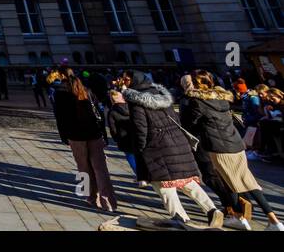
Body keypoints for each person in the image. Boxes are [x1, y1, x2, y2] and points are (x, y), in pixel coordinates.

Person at [119, 70, 224, 229]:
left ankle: (180, 218)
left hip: (157, 147)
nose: (124, 81)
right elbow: (176, 119)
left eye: (127, 79)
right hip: (178, 142)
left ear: (135, 81)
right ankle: (212, 209)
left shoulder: (136, 101)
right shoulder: (162, 95)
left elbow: (141, 129)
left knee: (162, 184)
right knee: (186, 181)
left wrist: (139, 148)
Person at [184, 70, 283, 230]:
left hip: (218, 147)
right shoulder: (222, 99)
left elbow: (189, 125)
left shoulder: (197, 102)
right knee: (248, 182)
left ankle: (240, 219)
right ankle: (274, 221)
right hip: (235, 144)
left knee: (229, 183)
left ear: (195, 84)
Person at [53, 69, 117, 212]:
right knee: (101, 169)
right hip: (94, 134)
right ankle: (108, 202)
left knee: (83, 168)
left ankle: (90, 198)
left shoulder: (60, 94)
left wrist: (64, 137)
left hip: (75, 136)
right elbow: (99, 115)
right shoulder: (87, 92)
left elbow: (60, 119)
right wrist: (104, 136)